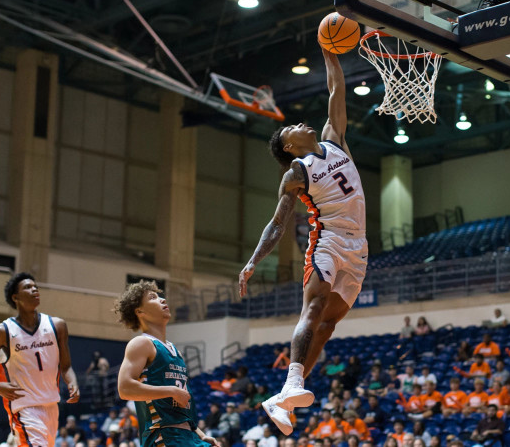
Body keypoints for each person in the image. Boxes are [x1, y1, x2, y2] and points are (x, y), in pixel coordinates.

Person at [239, 47, 367, 435]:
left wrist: (330, 52)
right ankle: (294, 382)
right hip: (327, 240)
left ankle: (282, 396)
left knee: (327, 326)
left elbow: (336, 88)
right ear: (288, 146)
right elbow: (278, 224)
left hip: (359, 247)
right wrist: (253, 260)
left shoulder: (334, 139)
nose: (300, 123)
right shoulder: (296, 172)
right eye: (291, 128)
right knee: (313, 308)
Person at [0, 272, 80, 447]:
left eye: (35, 287)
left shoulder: (57, 326)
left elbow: (66, 367)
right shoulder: (2, 332)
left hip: (51, 406)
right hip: (24, 409)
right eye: (27, 287)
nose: (34, 290)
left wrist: (73, 382)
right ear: (15, 297)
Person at [114, 280, 219, 447]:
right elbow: (124, 388)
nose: (162, 299)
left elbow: (180, 406)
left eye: (160, 296)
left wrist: (199, 433)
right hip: (163, 436)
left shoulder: (174, 350)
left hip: (187, 436)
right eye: (153, 298)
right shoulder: (141, 343)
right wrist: (171, 391)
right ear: (140, 311)